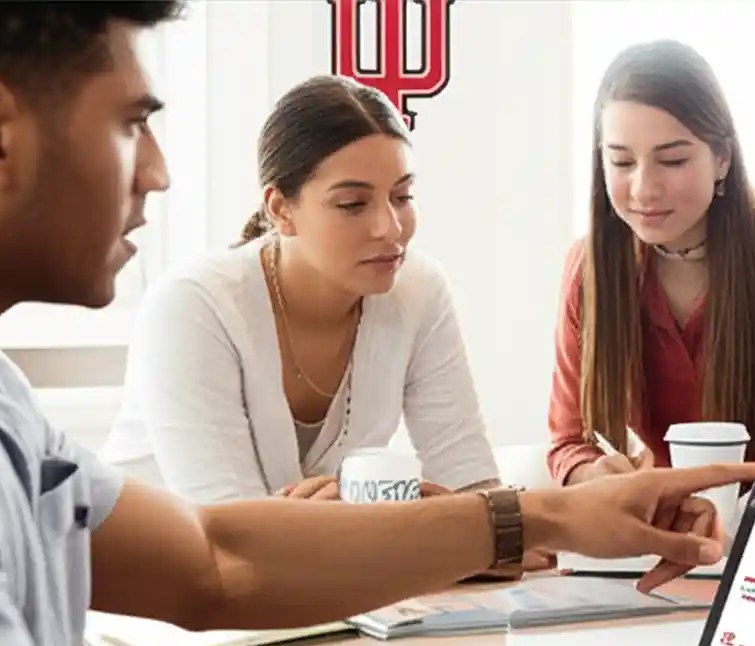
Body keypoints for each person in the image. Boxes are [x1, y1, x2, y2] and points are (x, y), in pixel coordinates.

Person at [0, 4, 755, 646]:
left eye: (402, 196)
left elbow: (216, 559)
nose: (157, 172)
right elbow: (228, 541)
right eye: (129, 124)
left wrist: (553, 514)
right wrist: (520, 515)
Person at [101, 75, 500, 504]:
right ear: (280, 209)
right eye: (352, 205)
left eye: (402, 196)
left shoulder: (417, 289)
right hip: (147, 563)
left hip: (316, 566)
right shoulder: (194, 305)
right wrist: (394, 513)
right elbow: (230, 529)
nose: (391, 228)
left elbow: (471, 484)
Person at [547, 40, 755, 486]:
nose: (644, 188)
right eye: (621, 161)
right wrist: (595, 474)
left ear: (722, 157)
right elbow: (568, 443)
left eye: (672, 160)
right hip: (650, 529)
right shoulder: (590, 270)